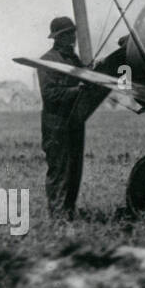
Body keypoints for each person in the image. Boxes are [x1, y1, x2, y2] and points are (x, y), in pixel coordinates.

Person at [38, 16, 88, 220]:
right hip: (56, 123)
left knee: (75, 168)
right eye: (67, 34)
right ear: (57, 38)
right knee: (59, 169)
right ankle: (58, 216)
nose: (72, 38)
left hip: (74, 121)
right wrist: (77, 90)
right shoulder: (47, 61)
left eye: (73, 33)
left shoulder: (74, 60)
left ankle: (68, 211)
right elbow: (50, 95)